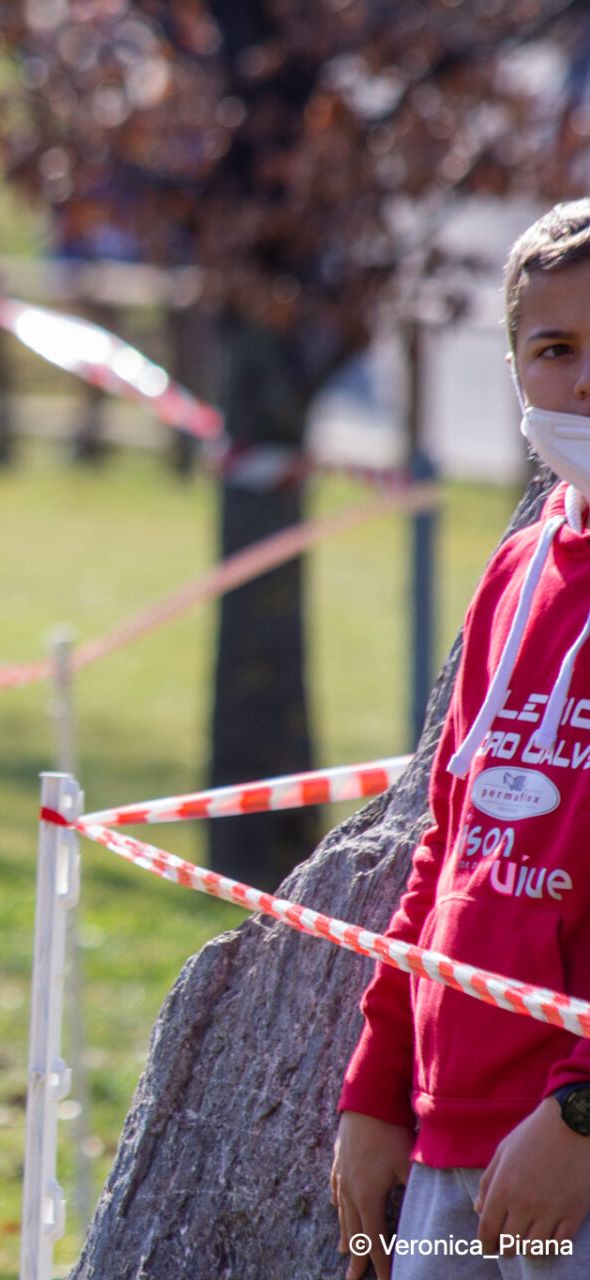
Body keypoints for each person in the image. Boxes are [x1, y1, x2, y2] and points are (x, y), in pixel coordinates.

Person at [334, 199, 590, 1280]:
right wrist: (379, 1083)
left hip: (567, 1146)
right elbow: (448, 844)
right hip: (454, 1135)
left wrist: (580, 1115)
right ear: (516, 367)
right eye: (555, 349)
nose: (584, 381)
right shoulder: (517, 572)